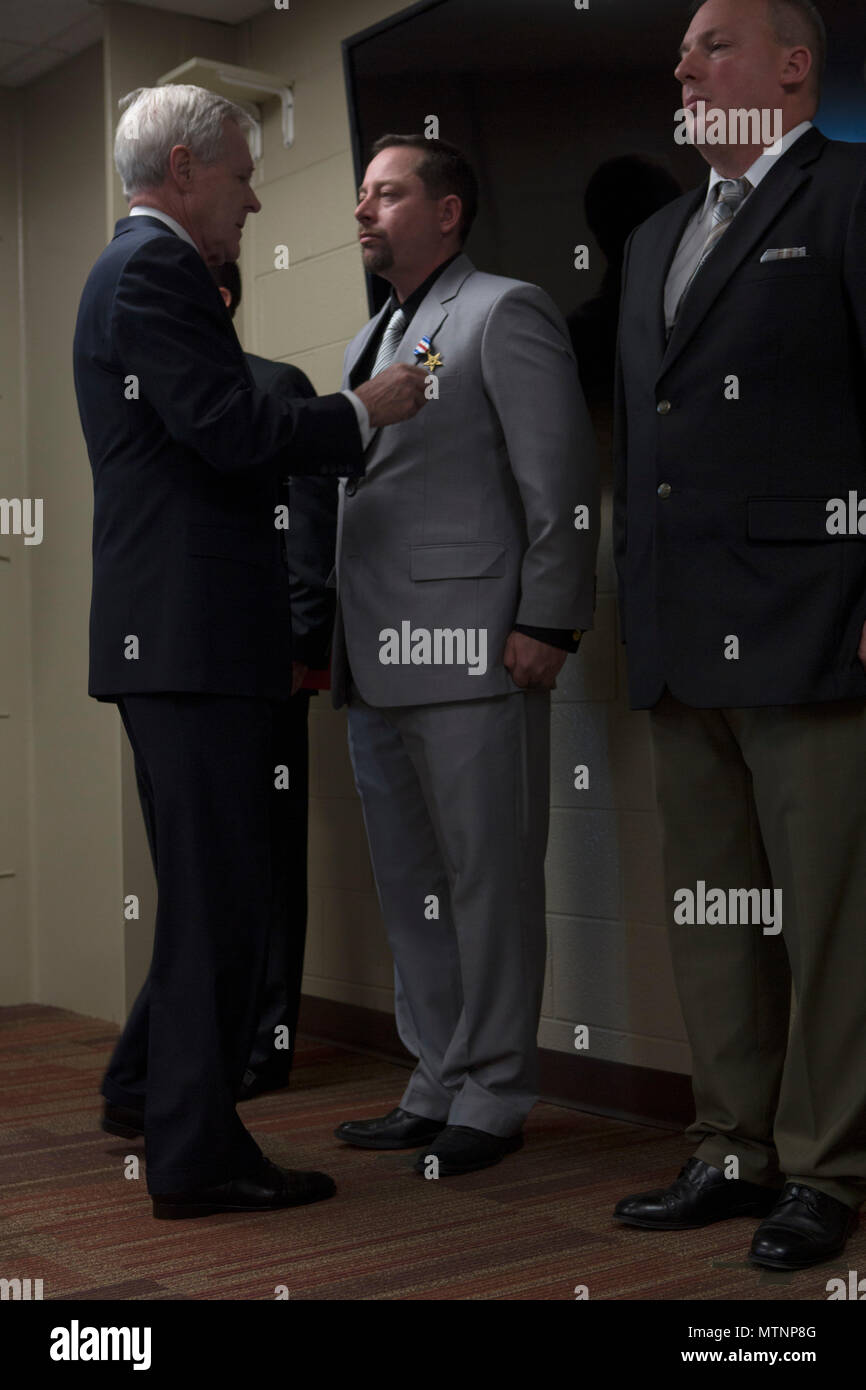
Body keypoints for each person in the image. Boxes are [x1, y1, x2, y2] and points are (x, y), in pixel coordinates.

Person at [73, 83, 426, 1220]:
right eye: (239, 175)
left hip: (166, 636)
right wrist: (364, 410)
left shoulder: (136, 272)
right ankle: (196, 1156)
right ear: (184, 170)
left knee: (203, 890)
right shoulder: (155, 270)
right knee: (221, 899)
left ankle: (143, 1087)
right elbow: (230, 431)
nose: (255, 196)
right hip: (192, 638)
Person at [612, 0, 866, 1269]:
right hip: (676, 637)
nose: (684, 61)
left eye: (713, 41)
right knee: (716, 913)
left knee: (824, 922)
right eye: (681, 48)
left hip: (811, 625)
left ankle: (824, 1170)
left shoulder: (848, 197)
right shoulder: (658, 232)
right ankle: (729, 1147)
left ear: (790, 66)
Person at [333, 135, 599, 1176]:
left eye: (387, 194)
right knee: (413, 884)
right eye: (360, 195)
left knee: (488, 880)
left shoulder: (506, 309)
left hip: (476, 652)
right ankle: (435, 1074)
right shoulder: (370, 337)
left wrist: (551, 619)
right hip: (373, 659)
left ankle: (492, 1089)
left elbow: (560, 480)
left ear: (446, 212)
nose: (364, 211)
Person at [212, 260, 337, 1101]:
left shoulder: (274, 385)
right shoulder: (160, 399)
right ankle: (216, 1036)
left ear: (217, 299)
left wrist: (302, 638)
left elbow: (308, 522)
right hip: (190, 668)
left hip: (269, 664)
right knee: (211, 861)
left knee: (268, 857)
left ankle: (268, 1041)